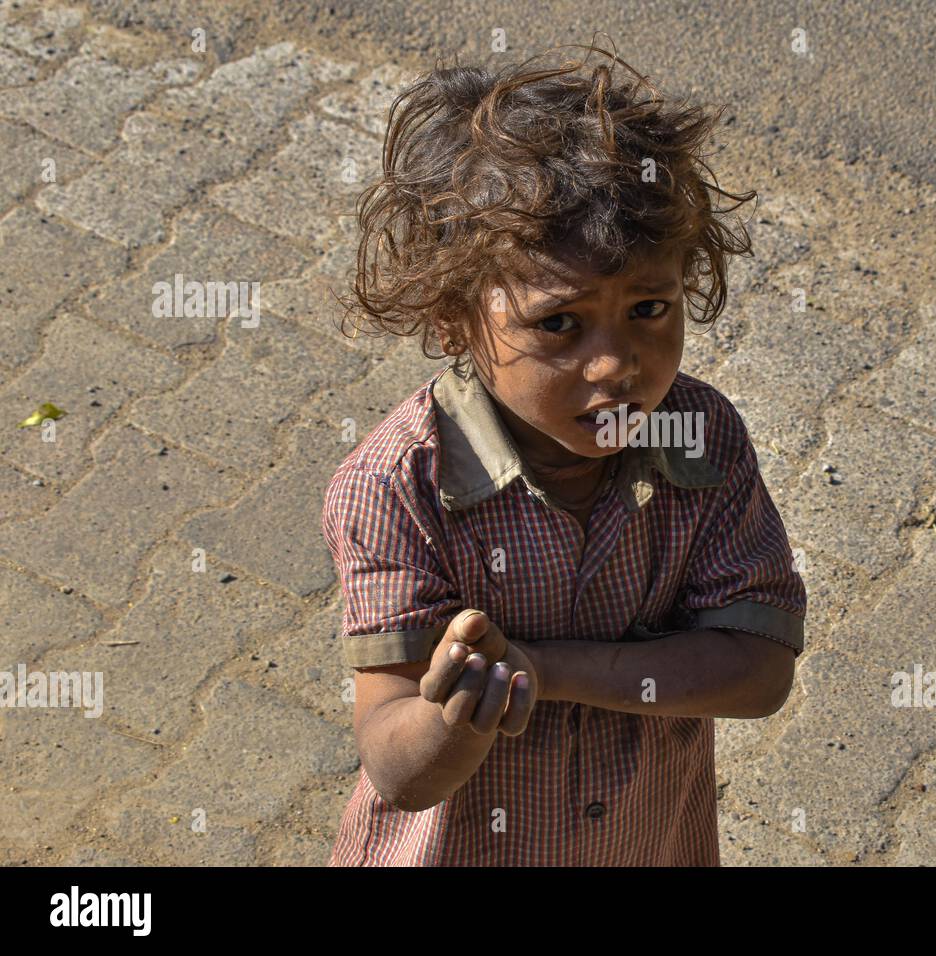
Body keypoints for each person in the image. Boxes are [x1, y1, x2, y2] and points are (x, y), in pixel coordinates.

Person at [321, 42, 806, 865]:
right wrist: (456, 714)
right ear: (454, 318)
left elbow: (759, 673)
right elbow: (398, 769)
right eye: (558, 324)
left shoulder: (703, 441)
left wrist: (545, 669)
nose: (616, 364)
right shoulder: (397, 487)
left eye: (649, 307)